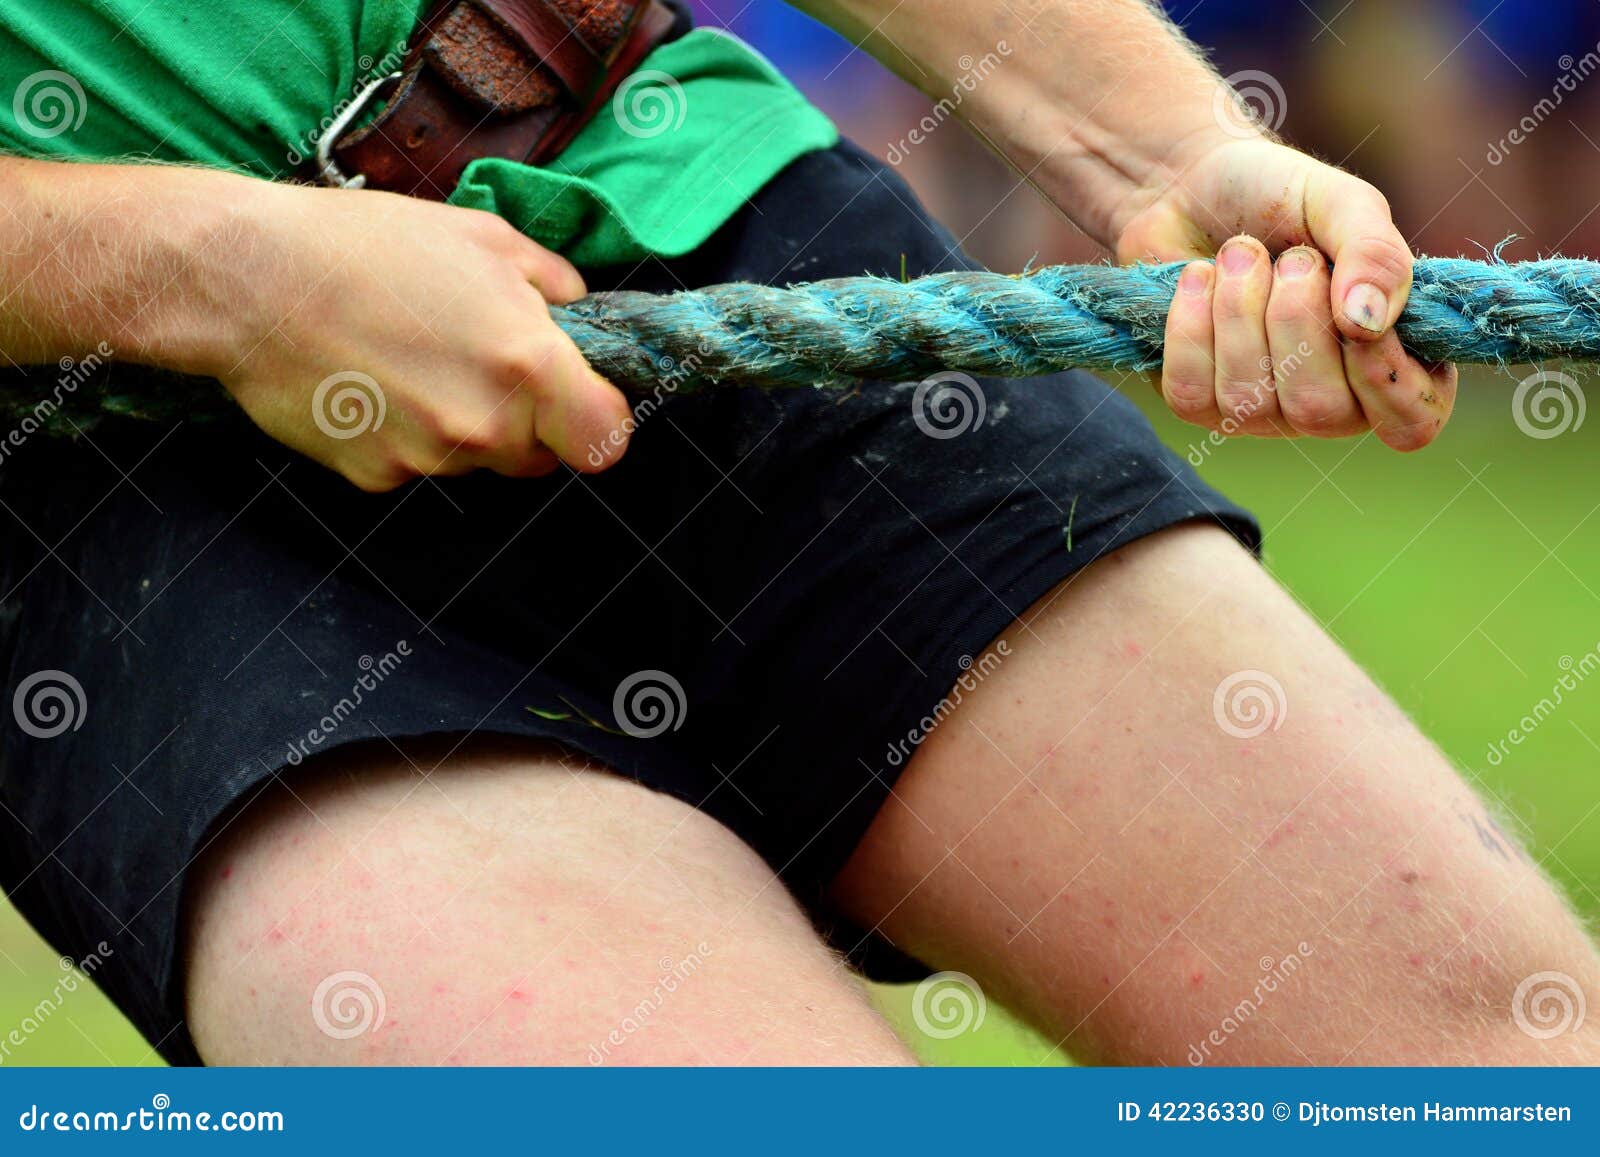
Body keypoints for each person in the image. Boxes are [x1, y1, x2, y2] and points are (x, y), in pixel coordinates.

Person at [0, 0, 1593, 1067]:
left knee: (1497, 1058)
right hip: (104, 472)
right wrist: (218, 267)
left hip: (693, 211)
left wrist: (1161, 154)